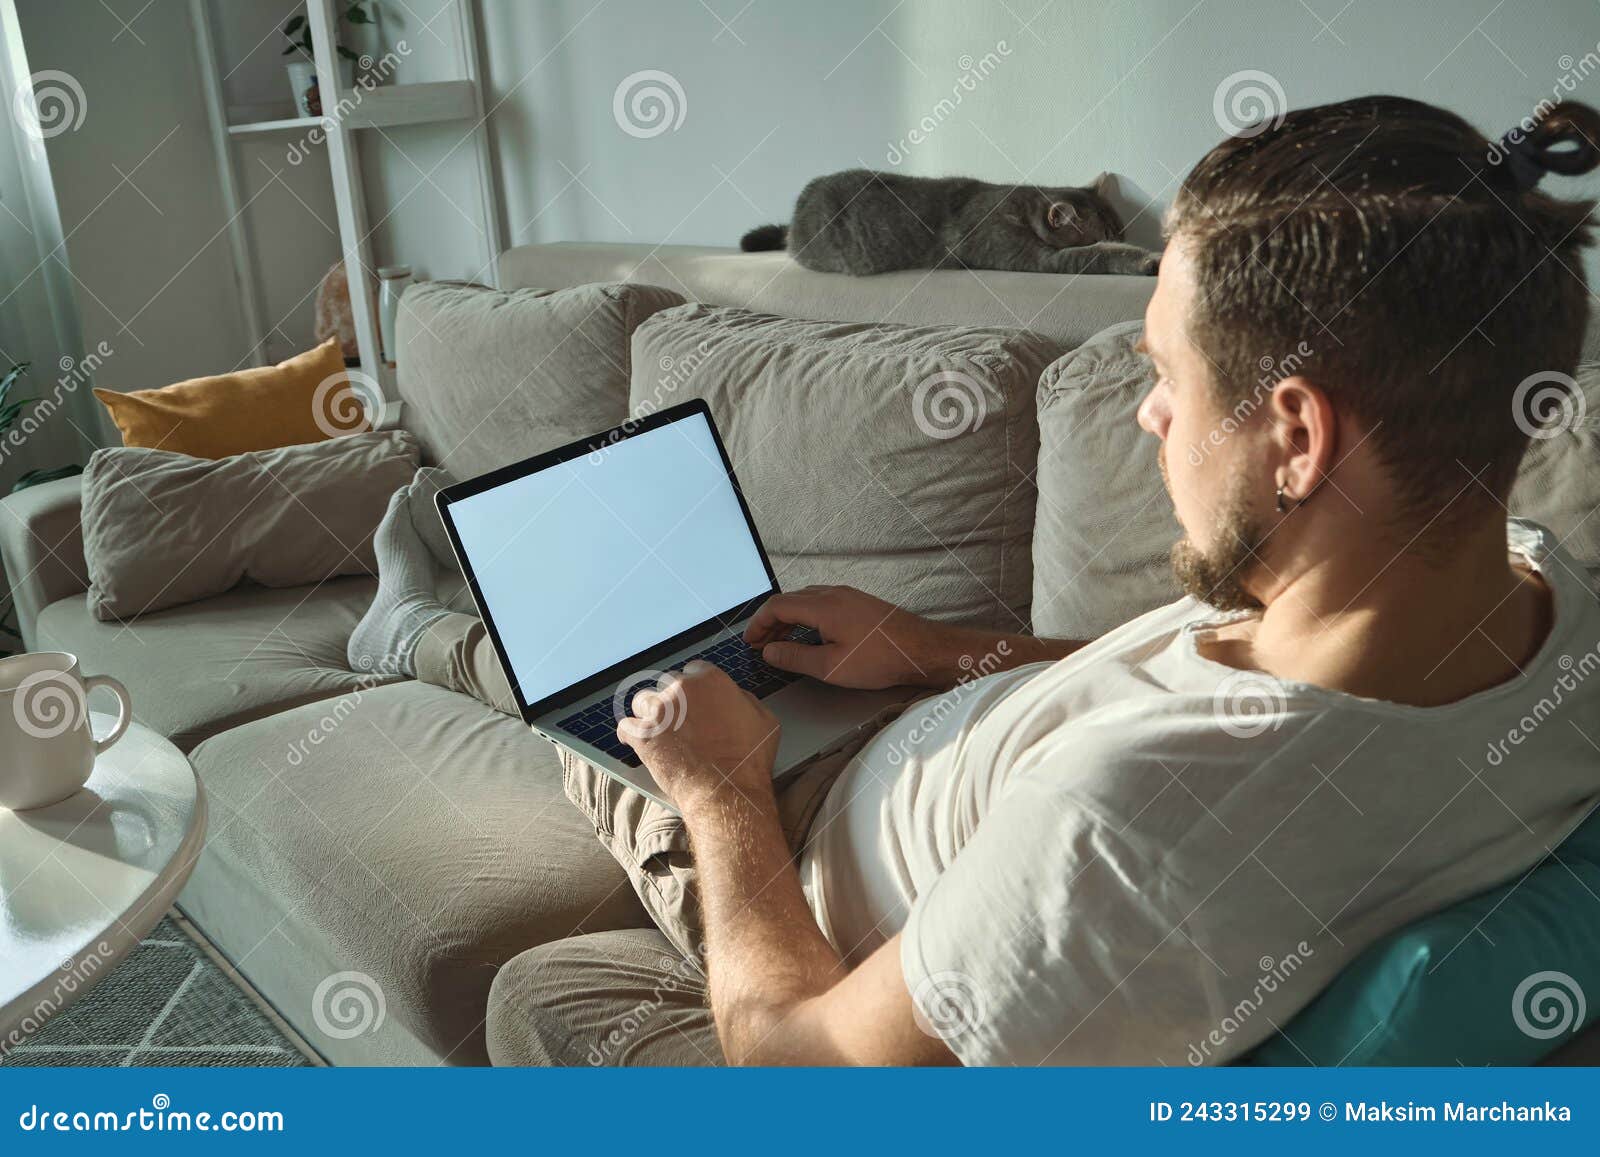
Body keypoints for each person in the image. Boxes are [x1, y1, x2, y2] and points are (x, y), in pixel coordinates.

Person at [349, 95, 1600, 1065]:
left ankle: (412, 625)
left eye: (1165, 372)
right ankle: (439, 615)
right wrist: (940, 650)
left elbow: (806, 1071)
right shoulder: (1536, 595)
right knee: (680, 643)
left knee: (590, 709)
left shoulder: (1135, 828)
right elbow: (1200, 684)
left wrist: (724, 792)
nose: (1151, 416)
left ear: (1295, 434)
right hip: (899, 718)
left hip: (795, 865)